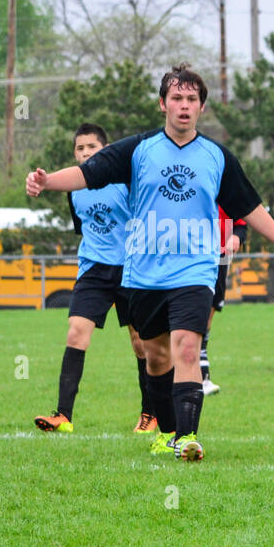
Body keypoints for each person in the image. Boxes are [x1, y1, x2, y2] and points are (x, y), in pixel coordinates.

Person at [26, 62, 274, 461]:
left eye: (192, 99)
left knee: (186, 349)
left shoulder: (217, 157)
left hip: (195, 270)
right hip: (145, 274)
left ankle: (187, 437)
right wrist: (47, 182)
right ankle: (166, 430)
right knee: (157, 357)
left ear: (201, 108)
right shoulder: (137, 149)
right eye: (177, 98)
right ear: (163, 104)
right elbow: (89, 174)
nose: (184, 106)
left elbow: (249, 206)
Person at [33, 123, 157, 434]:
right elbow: (84, 228)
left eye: (92, 147)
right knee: (76, 332)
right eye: (80, 148)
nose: (86, 152)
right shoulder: (73, 189)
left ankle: (150, 413)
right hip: (93, 271)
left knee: (141, 343)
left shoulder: (125, 181)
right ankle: (63, 415)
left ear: (107, 150)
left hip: (131, 267)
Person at [199, 206, 246, 396]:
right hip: (189, 257)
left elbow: (241, 225)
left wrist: (236, 237)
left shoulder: (226, 189)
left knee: (206, 318)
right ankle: (197, 377)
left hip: (219, 259)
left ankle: (201, 378)